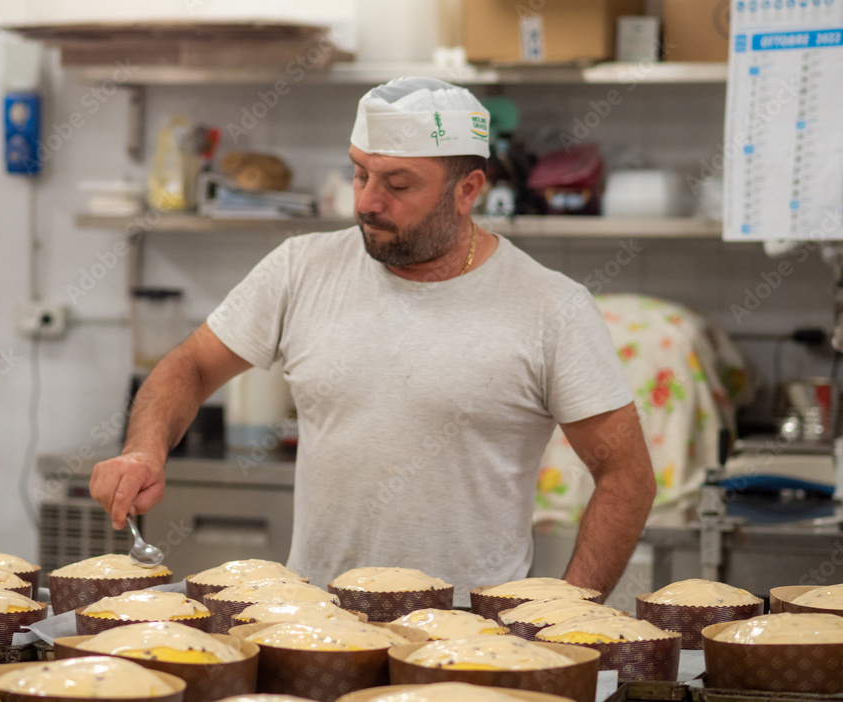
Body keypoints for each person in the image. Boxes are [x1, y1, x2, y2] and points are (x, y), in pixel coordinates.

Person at [90, 77, 656, 605]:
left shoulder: (551, 307)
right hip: (316, 628)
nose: (366, 202)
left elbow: (626, 478)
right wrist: (144, 448)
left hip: (470, 644)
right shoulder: (301, 268)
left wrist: (566, 614)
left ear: (467, 191)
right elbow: (191, 364)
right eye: (360, 174)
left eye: (398, 185)